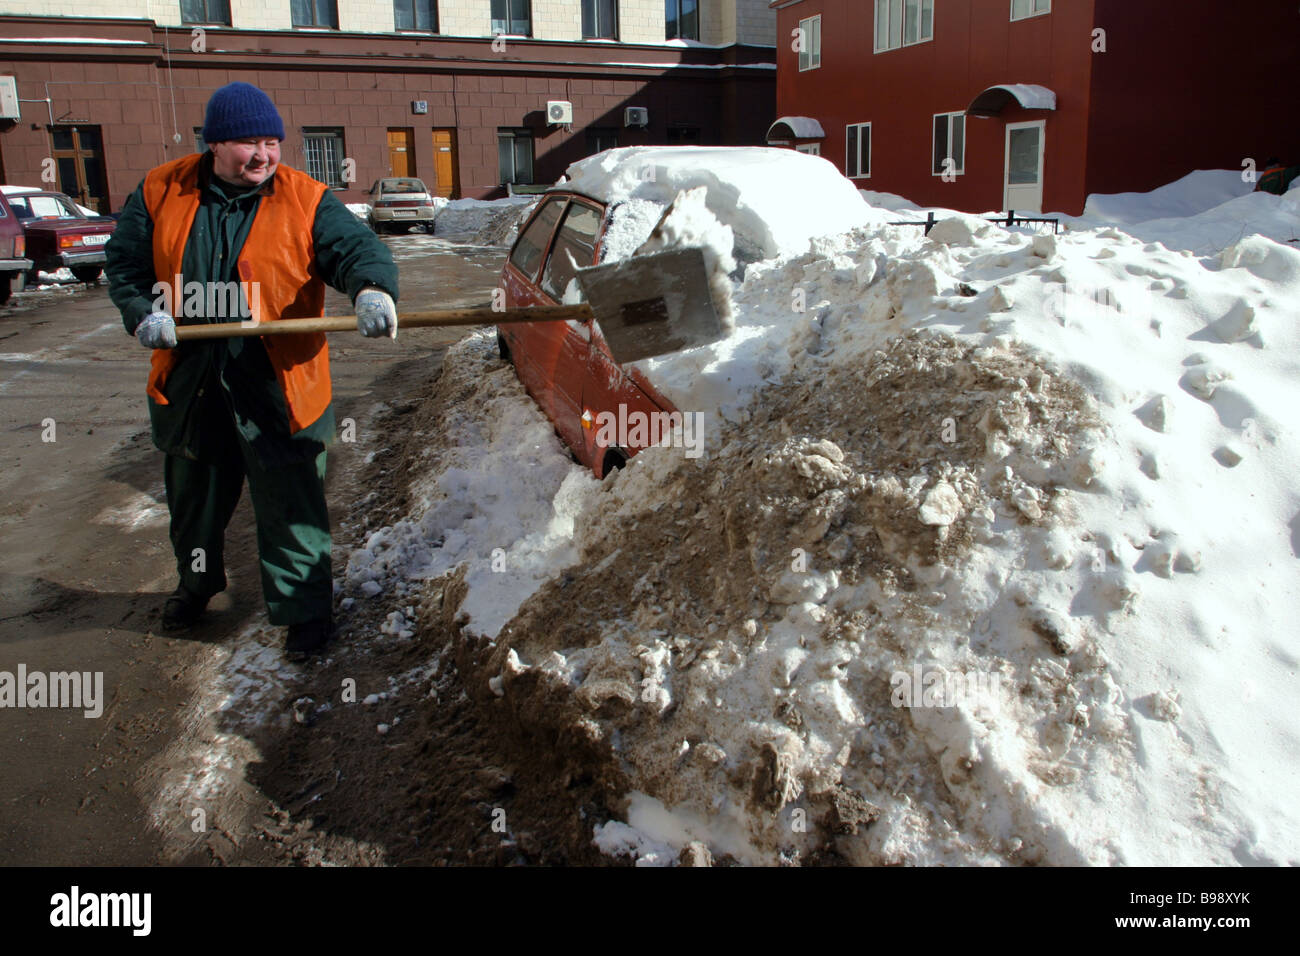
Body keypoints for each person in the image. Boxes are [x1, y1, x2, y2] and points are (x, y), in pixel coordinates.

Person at [105, 81, 400, 654]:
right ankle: (195, 586)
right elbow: (126, 263)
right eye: (247, 143)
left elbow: (358, 250)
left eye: (271, 141)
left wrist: (372, 289)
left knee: (291, 503)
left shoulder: (305, 197)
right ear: (214, 145)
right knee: (195, 503)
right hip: (190, 379)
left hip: (277, 382)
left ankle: (306, 612)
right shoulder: (161, 189)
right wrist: (142, 312)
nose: (263, 155)